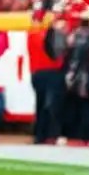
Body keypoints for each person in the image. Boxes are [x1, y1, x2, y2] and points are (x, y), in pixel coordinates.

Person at [27, 10, 64, 144]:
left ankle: (39, 135)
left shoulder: (31, 35)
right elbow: (59, 55)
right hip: (52, 72)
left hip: (37, 73)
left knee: (40, 104)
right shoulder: (50, 35)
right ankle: (51, 134)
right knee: (52, 105)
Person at [63, 18, 89, 144]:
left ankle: (75, 134)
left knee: (75, 106)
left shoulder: (75, 37)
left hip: (77, 74)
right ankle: (87, 136)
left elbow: (73, 59)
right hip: (87, 75)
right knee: (86, 107)